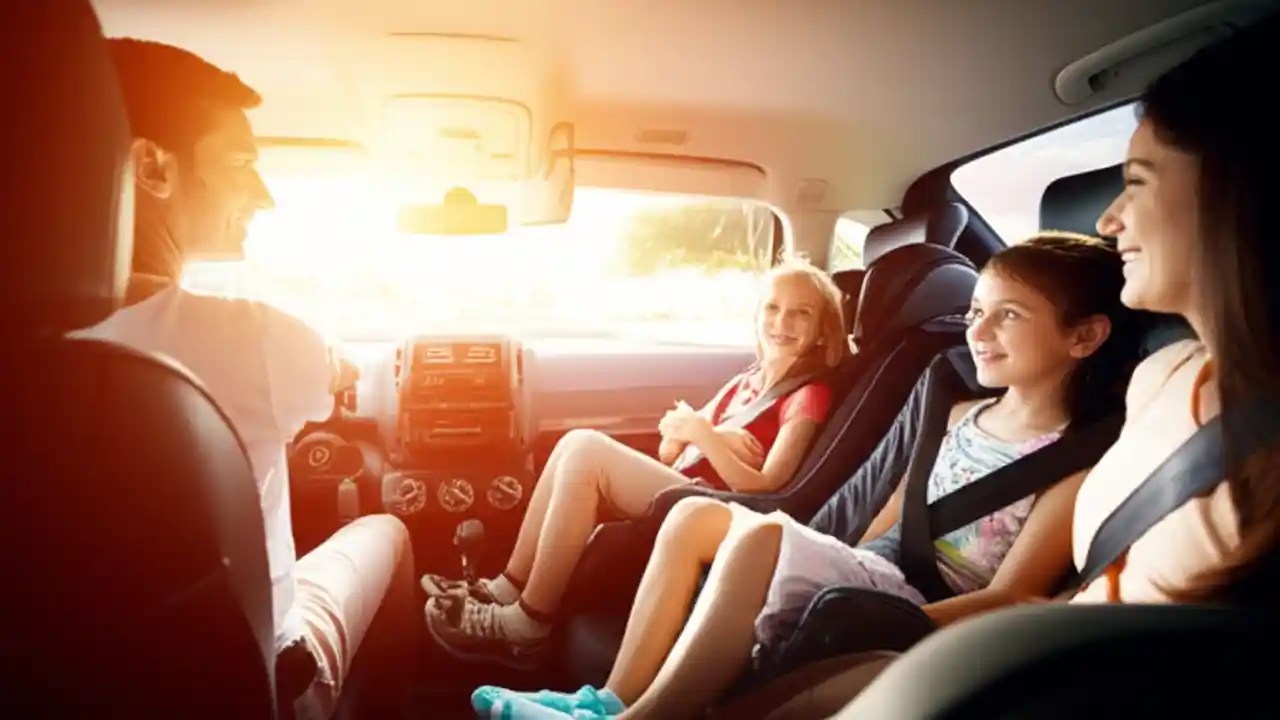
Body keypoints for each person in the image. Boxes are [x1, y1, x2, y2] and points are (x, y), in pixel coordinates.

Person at [730, 16, 1280, 718]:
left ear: (1235, 196)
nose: (1109, 221)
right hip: (1013, 658)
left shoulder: (1251, 445)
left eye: (1137, 184)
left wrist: (908, 634)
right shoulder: (1161, 377)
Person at [470, 232, 1142, 719]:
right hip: (874, 571)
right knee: (690, 515)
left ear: (1083, 338)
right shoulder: (960, 411)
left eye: (1009, 315)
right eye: (975, 313)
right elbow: (897, 512)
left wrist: (893, 625)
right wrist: (842, 559)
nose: (980, 331)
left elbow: (1012, 594)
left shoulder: (1075, 467)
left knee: (758, 537)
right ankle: (607, 699)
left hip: (920, 608)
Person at [74, 38, 415, 719]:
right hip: (252, 692)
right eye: (241, 164)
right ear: (151, 166)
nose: (263, 195)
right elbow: (335, 372)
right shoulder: (259, 341)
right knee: (388, 534)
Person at [423, 256, 851, 666]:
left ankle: (530, 622)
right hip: (689, 484)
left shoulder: (807, 395)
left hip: (719, 510)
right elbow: (670, 444)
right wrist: (715, 436)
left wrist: (703, 434)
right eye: (773, 308)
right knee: (574, 443)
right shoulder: (748, 380)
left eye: (801, 314)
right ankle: (505, 587)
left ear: (821, 331)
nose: (781, 323)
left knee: (588, 450)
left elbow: (769, 487)